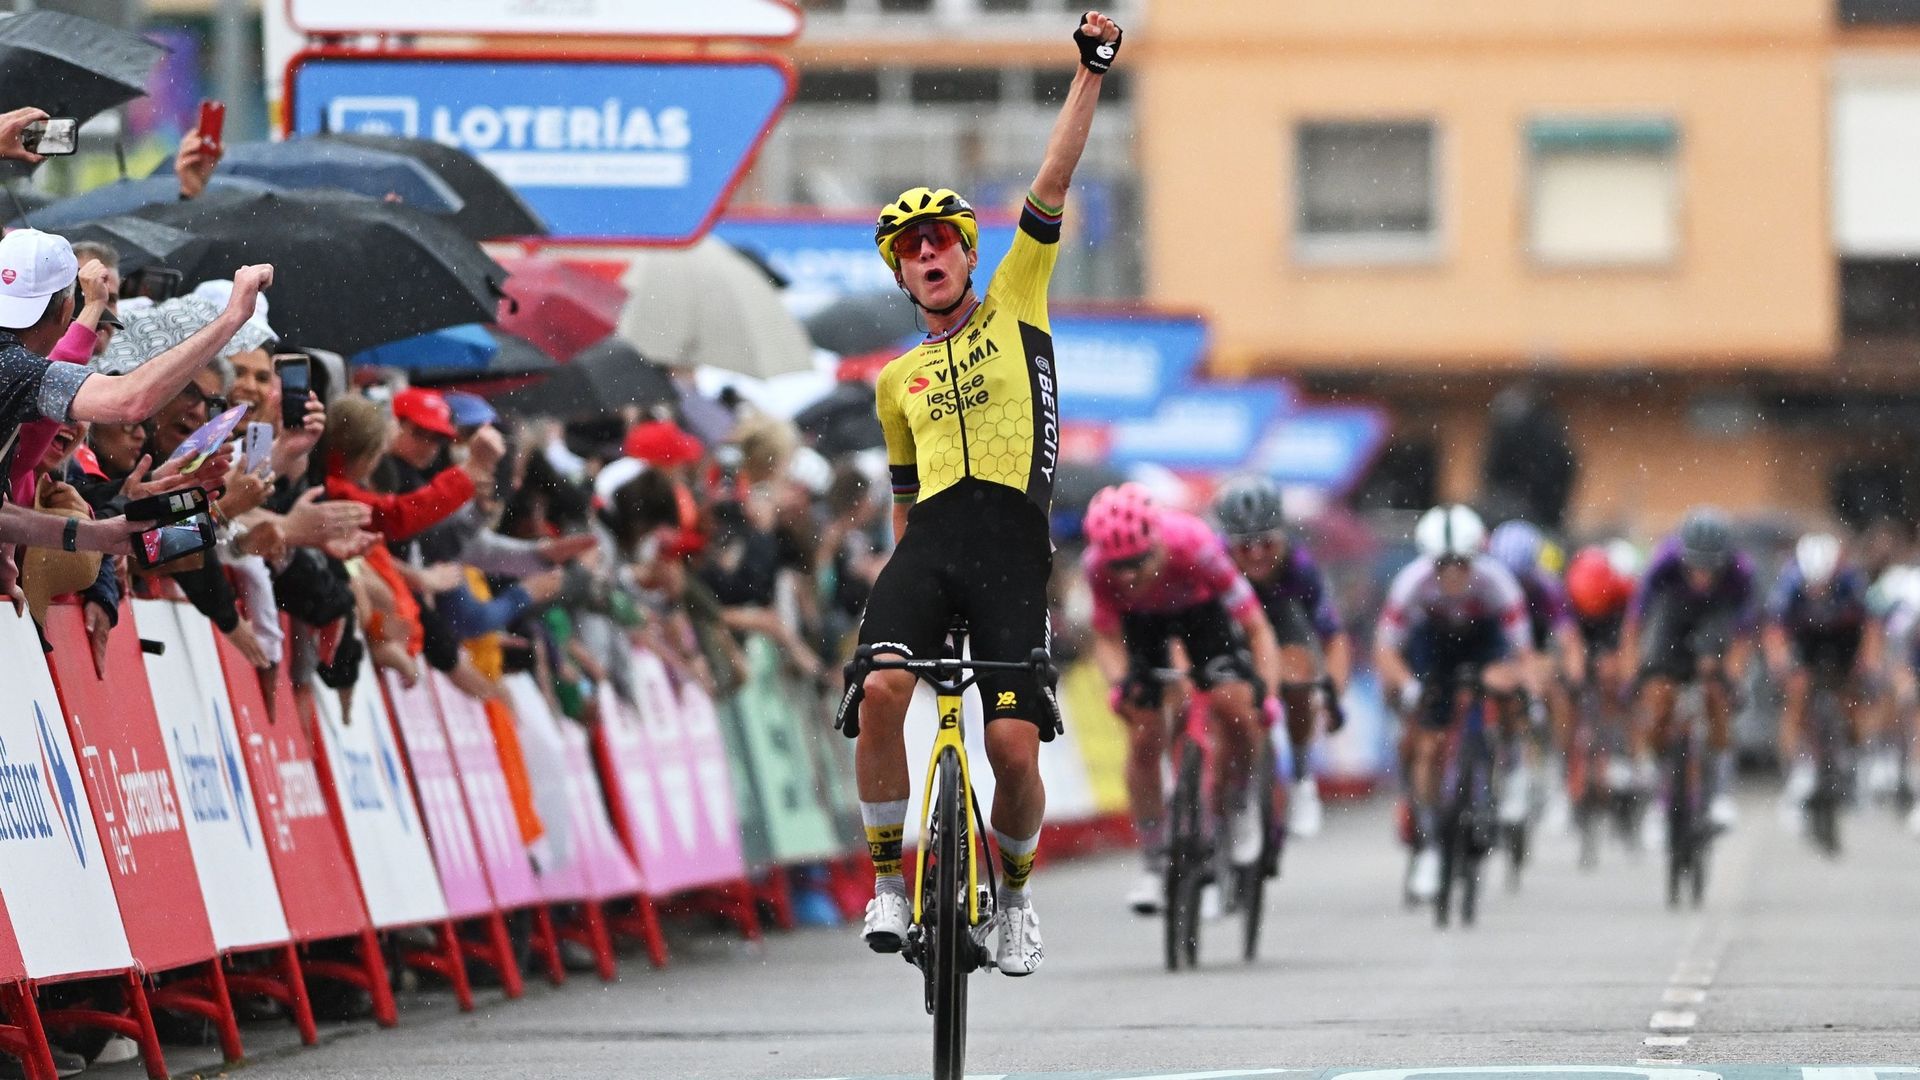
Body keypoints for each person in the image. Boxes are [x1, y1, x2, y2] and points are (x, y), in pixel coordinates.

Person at [847, 8, 1122, 977]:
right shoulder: (894, 381)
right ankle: (889, 879)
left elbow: (1051, 182)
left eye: (941, 241)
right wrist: (894, 572)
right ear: (900, 272)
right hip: (928, 548)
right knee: (881, 689)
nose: (927, 256)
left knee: (1011, 749)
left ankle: (1012, 897)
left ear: (967, 252)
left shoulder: (1019, 296)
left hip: (1012, 546)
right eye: (909, 249)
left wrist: (1089, 72)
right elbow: (902, 497)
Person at [1086, 482, 1282, 913]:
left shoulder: (1196, 546)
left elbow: (1257, 629)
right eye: (1119, 566)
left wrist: (1265, 694)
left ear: (1157, 542)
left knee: (1236, 708)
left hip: (1202, 616)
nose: (1130, 575)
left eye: (1138, 561)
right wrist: (1120, 685)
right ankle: (1155, 859)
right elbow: (1106, 639)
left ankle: (1241, 798)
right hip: (1143, 627)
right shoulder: (1096, 568)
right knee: (1144, 734)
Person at [1374, 504, 1539, 902]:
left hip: (1484, 642)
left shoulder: (1497, 583)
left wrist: (1527, 697)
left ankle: (1509, 766)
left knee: (1505, 687)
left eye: (1461, 564)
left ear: (1475, 559)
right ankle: (1430, 843)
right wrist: (1408, 686)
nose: (1452, 573)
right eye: (1442, 565)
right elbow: (1386, 650)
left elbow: (1523, 652)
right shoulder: (1410, 583)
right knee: (1428, 746)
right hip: (1433, 646)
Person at [1211, 473, 1350, 838]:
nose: (1257, 554)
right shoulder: (1210, 561)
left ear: (1283, 536)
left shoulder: (1299, 567)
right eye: (1245, 546)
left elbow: (1333, 638)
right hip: (1225, 627)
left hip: (1280, 621)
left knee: (1299, 680)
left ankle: (1302, 778)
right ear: (1227, 544)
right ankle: (1227, 790)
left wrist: (1333, 692)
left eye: (1267, 543)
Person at [1621, 507, 1757, 831]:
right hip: (1674, 617)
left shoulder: (1741, 572)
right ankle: (1657, 782)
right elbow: (1635, 623)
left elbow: (1742, 635)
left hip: (1717, 619)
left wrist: (1731, 678)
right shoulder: (1663, 563)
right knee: (1659, 694)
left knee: (1715, 691)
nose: (1702, 575)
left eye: (1711, 567)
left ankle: (1721, 792)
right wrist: (1634, 671)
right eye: (1695, 565)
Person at [1764, 532, 1879, 826]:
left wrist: (1867, 662)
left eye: (1824, 583)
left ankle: (1854, 761)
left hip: (1843, 640)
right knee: (1798, 692)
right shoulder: (1789, 582)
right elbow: (1775, 631)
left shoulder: (1852, 582)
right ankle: (1798, 770)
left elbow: (1871, 628)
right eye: (1812, 585)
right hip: (1806, 641)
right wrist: (1780, 663)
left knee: (1850, 699)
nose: (1818, 590)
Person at [1486, 519, 1585, 828]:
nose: (1513, 587)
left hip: (1538, 647)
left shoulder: (1547, 589)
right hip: (1501, 648)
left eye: (1521, 579)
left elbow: (1568, 639)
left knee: (1556, 691)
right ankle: (1507, 761)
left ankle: (1558, 774)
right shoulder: (1488, 586)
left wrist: (1573, 674)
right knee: (1500, 691)